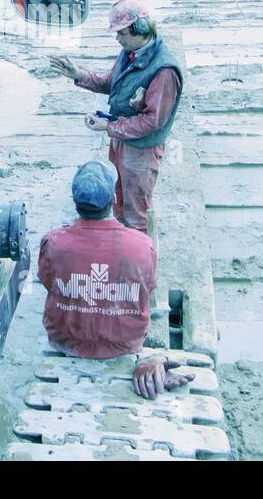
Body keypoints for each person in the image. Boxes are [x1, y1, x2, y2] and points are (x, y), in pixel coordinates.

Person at [37, 161, 193, 400]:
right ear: (113, 199)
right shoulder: (142, 245)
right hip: (123, 345)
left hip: (65, 342)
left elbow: (49, 283)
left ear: (75, 201)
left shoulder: (54, 242)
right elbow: (147, 289)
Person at [49, 0, 184, 235]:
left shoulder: (164, 71)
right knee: (118, 199)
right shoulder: (130, 53)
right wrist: (78, 74)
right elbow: (111, 82)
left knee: (137, 213)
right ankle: (122, 246)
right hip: (122, 139)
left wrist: (108, 127)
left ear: (140, 29)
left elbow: (152, 121)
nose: (118, 39)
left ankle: (140, 259)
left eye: (121, 33)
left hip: (142, 150)